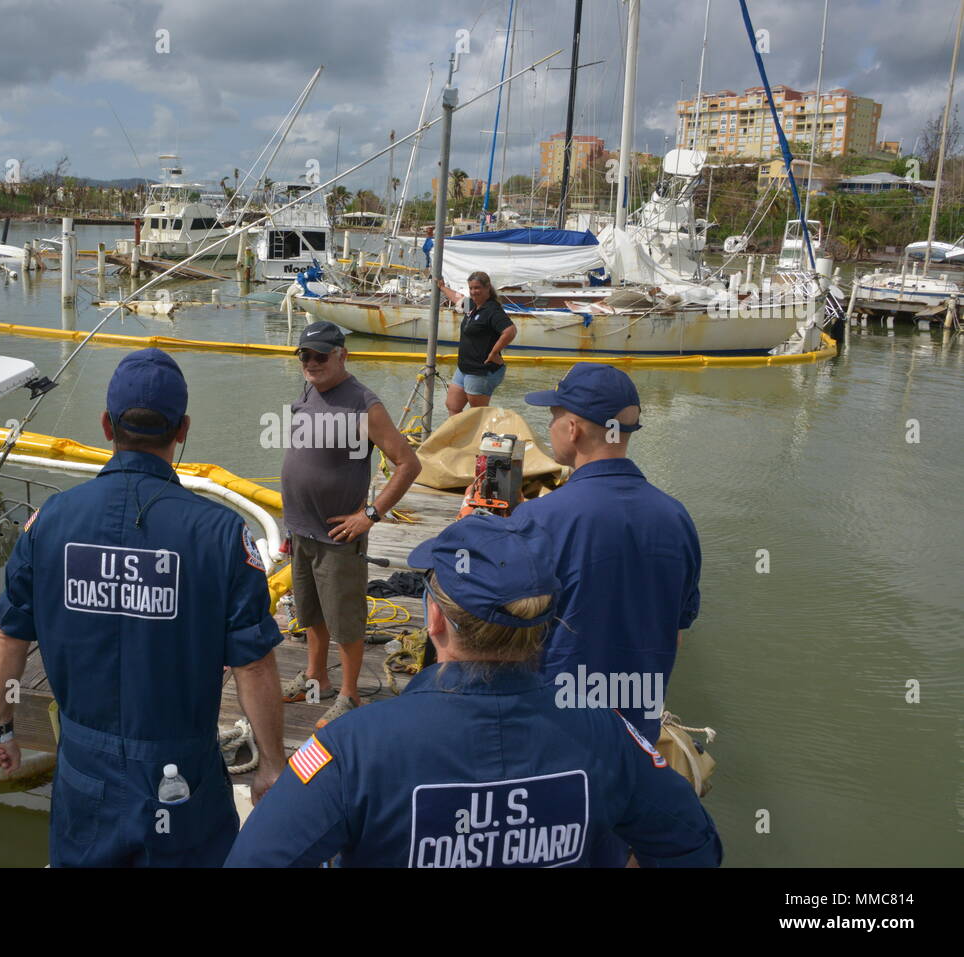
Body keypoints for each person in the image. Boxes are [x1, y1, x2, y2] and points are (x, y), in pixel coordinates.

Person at [225, 514, 722, 868]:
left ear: (435, 618)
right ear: (544, 625)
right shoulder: (606, 735)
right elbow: (694, 846)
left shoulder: (353, 747)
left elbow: (258, 859)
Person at [0, 348, 285, 867]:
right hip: (182, 775)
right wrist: (271, 765)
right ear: (182, 430)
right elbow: (252, 663)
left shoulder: (50, 520)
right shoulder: (220, 534)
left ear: (105, 425)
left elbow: (10, 634)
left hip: (85, 771)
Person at [515, 364, 702, 868]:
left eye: (553, 417)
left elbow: (507, 637)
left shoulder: (537, 518)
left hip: (555, 729)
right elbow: (675, 634)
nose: (550, 427)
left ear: (573, 428)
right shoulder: (677, 518)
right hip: (635, 730)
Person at [279, 320, 421, 728]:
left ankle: (349, 694)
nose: (311, 362)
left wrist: (370, 515)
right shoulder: (310, 389)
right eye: (305, 355)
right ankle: (316, 678)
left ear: (343, 355)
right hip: (301, 529)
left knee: (345, 619)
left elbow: (408, 464)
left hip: (338, 536)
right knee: (310, 611)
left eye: (321, 355)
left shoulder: (364, 404)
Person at [436, 271, 517, 415]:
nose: (473, 291)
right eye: (471, 288)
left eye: (477, 288)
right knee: (452, 405)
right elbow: (457, 298)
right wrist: (442, 287)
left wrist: (494, 353)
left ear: (487, 288)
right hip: (464, 367)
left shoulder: (492, 310)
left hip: (481, 370)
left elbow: (510, 331)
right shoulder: (473, 306)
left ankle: (480, 431)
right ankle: (457, 431)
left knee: (477, 413)